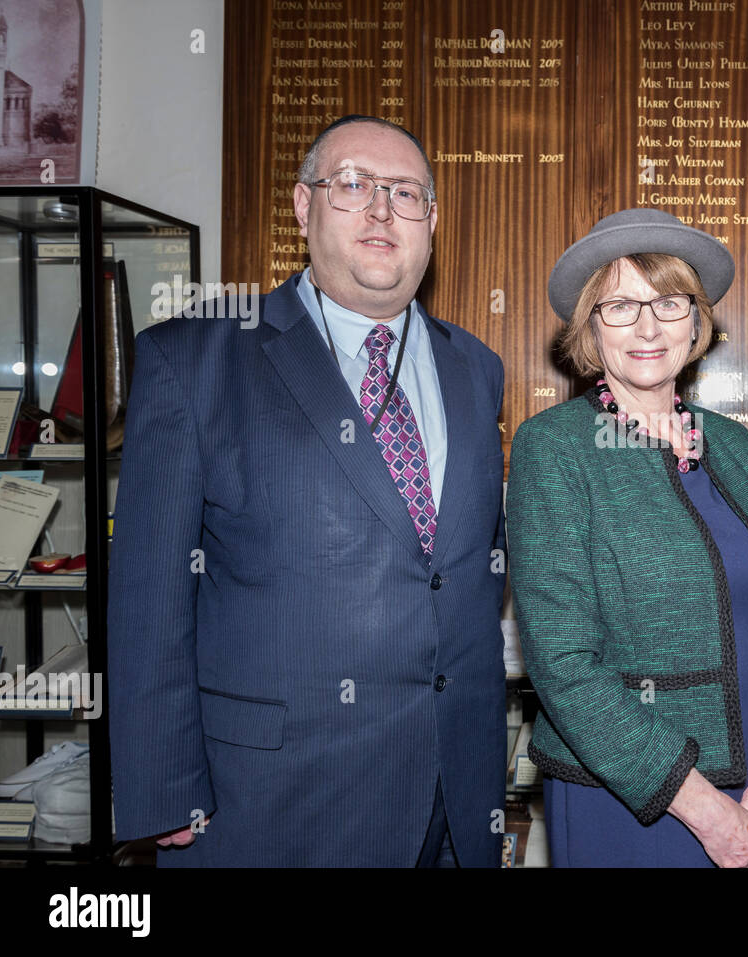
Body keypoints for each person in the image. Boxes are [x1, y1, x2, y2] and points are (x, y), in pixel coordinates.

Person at [107, 115, 507, 866]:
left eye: (405, 193)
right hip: (271, 805)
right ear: (302, 204)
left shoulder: (475, 370)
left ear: (433, 220)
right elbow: (147, 598)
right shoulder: (193, 361)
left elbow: (469, 572)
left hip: (453, 800)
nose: (382, 210)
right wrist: (162, 788)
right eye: (353, 185)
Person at [507, 209, 748, 867]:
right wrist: (707, 811)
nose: (647, 326)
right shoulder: (555, 448)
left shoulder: (730, 443)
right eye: (619, 305)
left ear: (696, 320)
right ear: (590, 325)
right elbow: (563, 667)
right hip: (629, 802)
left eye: (668, 302)